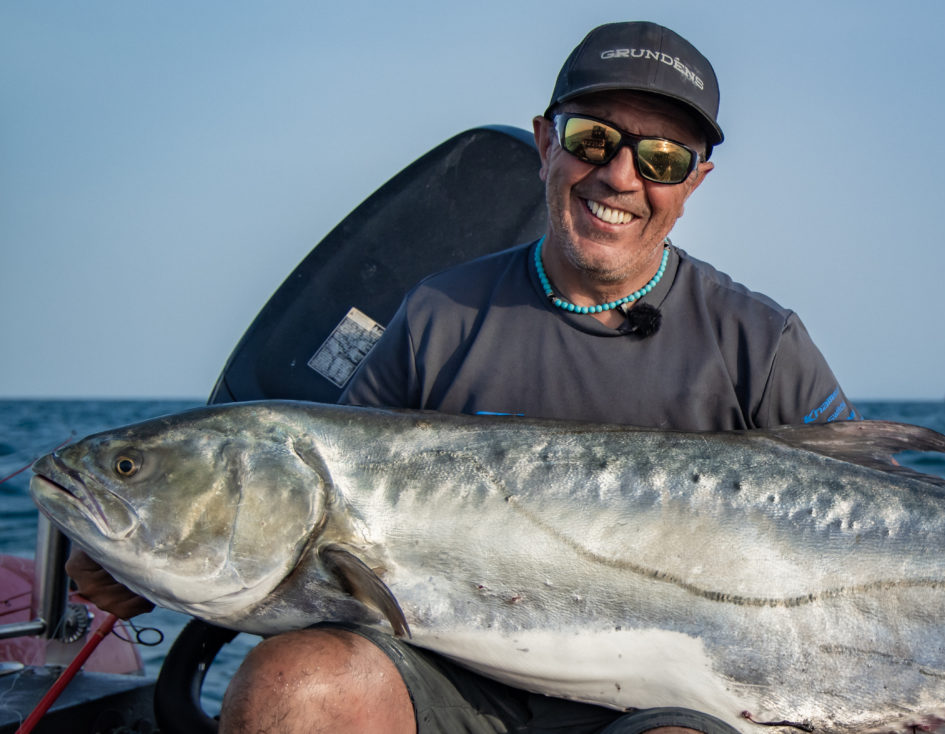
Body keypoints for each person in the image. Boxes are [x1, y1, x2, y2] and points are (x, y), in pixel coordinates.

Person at [67, 21, 860, 734]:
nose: (619, 176)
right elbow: (327, 550)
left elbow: (867, 532)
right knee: (293, 691)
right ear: (546, 141)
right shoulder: (441, 313)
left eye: (660, 158)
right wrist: (146, 569)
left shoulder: (759, 340)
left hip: (678, 703)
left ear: (693, 183)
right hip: (456, 685)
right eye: (592, 138)